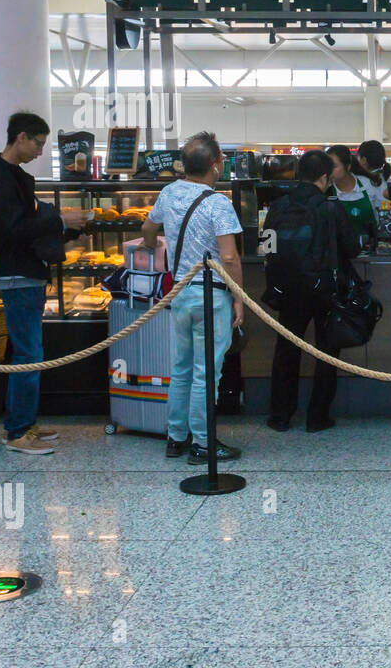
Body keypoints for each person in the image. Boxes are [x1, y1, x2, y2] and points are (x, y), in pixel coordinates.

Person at [0, 112, 88, 453]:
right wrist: (60, 218)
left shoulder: (11, 175)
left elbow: (26, 225)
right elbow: (15, 229)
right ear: (21, 137)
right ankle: (17, 432)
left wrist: (65, 228)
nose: (40, 151)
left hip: (26, 271)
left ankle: (24, 423)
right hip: (18, 273)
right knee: (28, 354)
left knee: (30, 352)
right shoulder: (0, 177)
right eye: (38, 144)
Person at [142, 132, 245, 465]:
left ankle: (176, 438)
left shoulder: (169, 192)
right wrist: (239, 298)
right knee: (206, 373)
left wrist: (153, 249)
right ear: (215, 165)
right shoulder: (218, 203)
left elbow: (148, 229)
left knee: (182, 367)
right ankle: (203, 443)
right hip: (210, 296)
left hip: (180, 294)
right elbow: (228, 258)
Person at [264, 149, 361, 433]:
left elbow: (267, 246)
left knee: (286, 350)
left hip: (288, 289)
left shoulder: (279, 207)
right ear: (324, 177)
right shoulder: (331, 208)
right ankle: (317, 417)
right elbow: (353, 248)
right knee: (326, 351)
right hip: (324, 290)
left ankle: (280, 416)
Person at [326, 144, 378, 248]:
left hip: (371, 249)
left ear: (348, 166)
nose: (329, 170)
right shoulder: (327, 191)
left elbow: (382, 213)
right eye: (327, 166)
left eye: (334, 166)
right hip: (340, 251)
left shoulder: (367, 184)